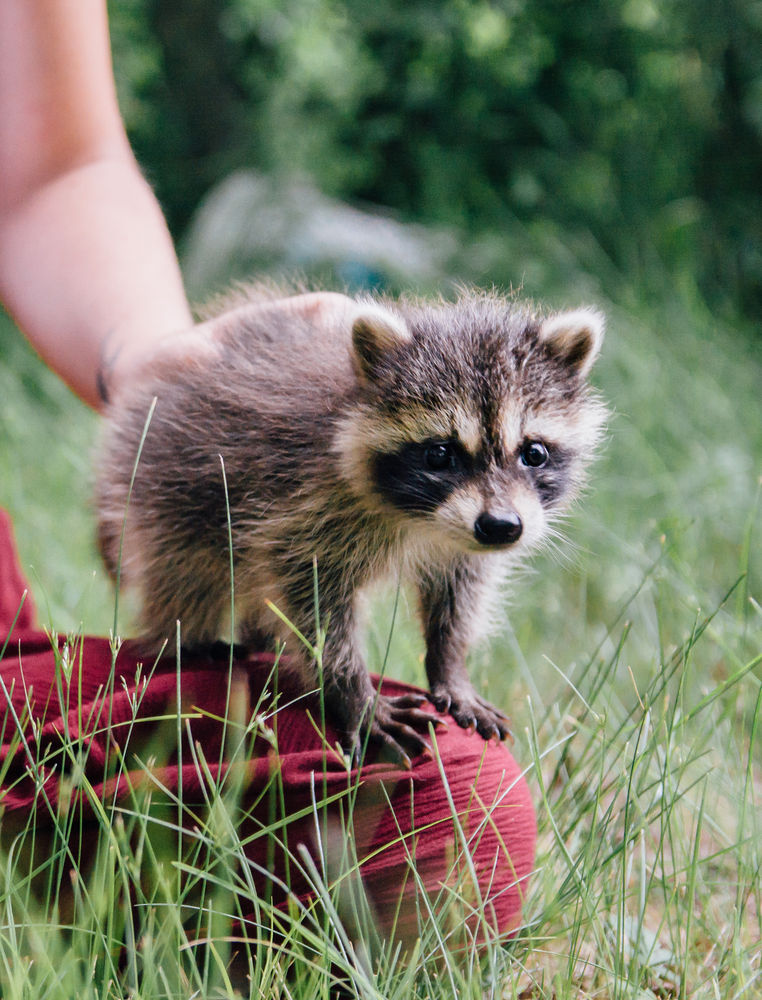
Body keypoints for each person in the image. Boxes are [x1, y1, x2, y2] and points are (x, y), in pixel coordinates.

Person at [0, 0, 535, 949]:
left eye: (529, 461)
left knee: (442, 805)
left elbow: (51, 173)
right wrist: (342, 690)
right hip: (188, 580)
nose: (499, 503)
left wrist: (154, 356)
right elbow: (312, 585)